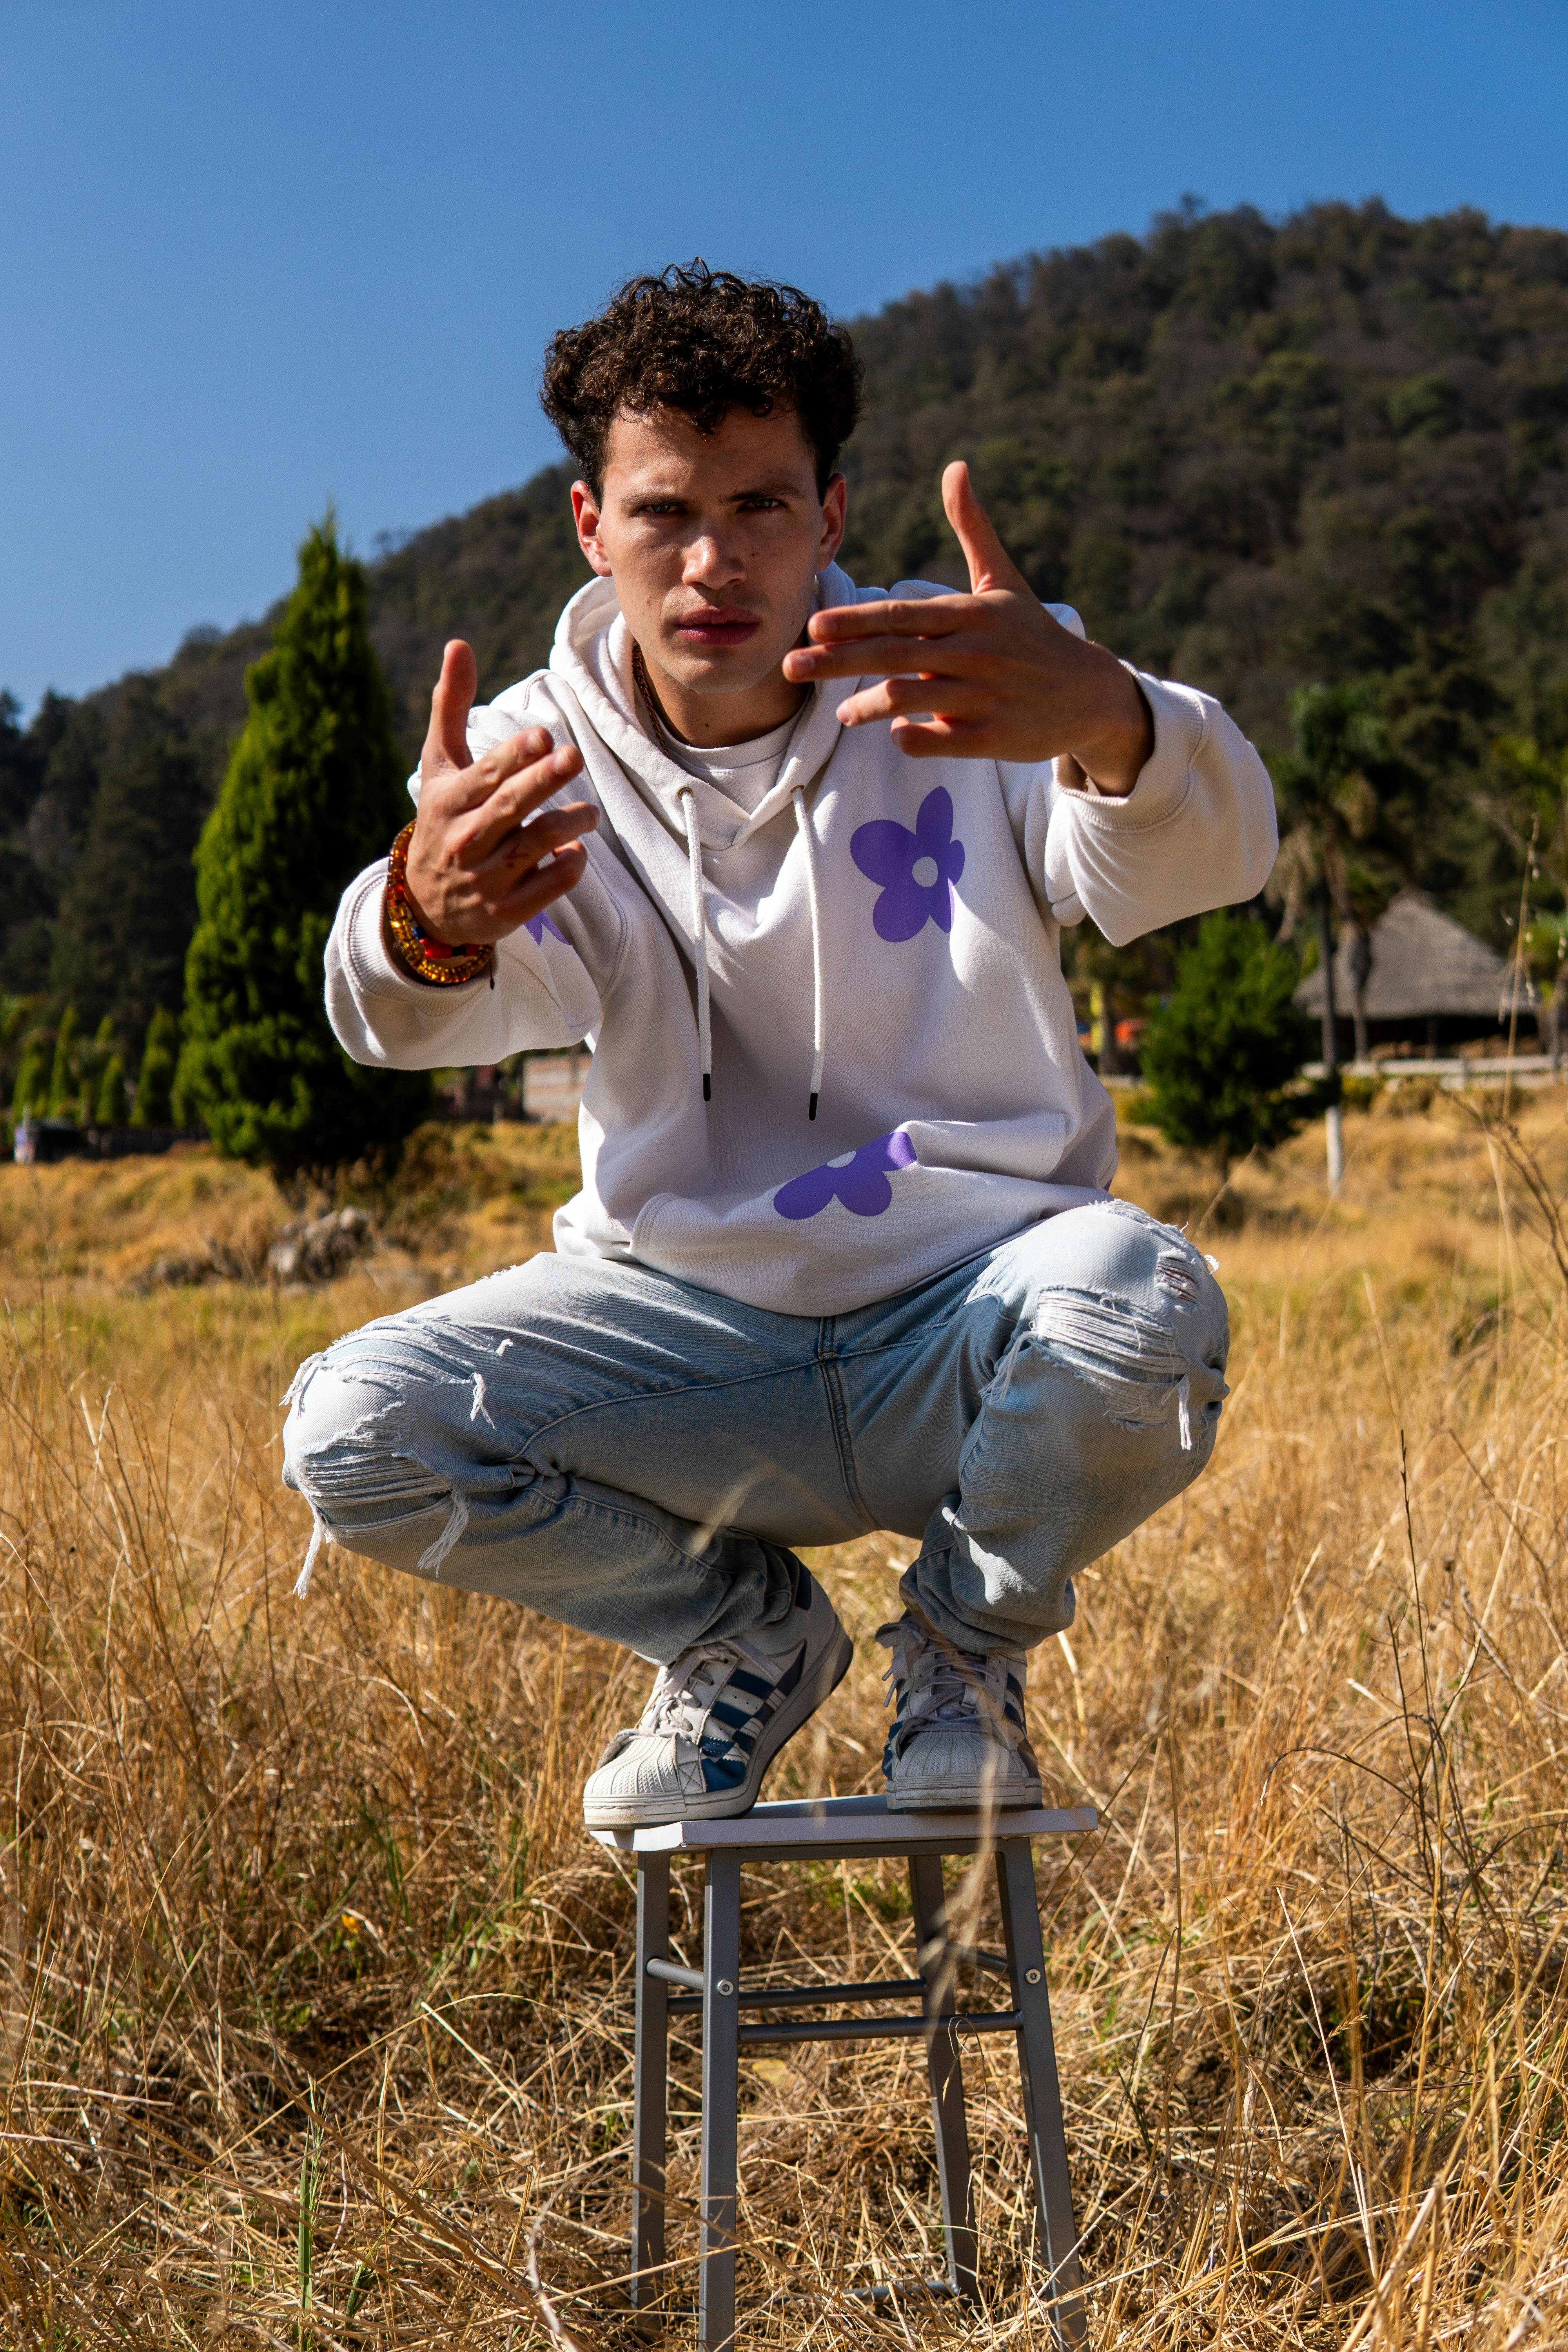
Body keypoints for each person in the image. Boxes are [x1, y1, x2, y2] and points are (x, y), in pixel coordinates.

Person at [283, 263, 1274, 1828]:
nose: (712, 560)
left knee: (1143, 1306)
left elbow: (1195, 864)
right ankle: (741, 1637)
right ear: (588, 528)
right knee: (356, 1436)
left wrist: (1108, 715)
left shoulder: (976, 684)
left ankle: (961, 1645)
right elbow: (403, 1012)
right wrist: (424, 912)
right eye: (666, 511)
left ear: (830, 514)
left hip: (971, 1323)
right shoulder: (528, 760)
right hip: (684, 1346)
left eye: (759, 507)